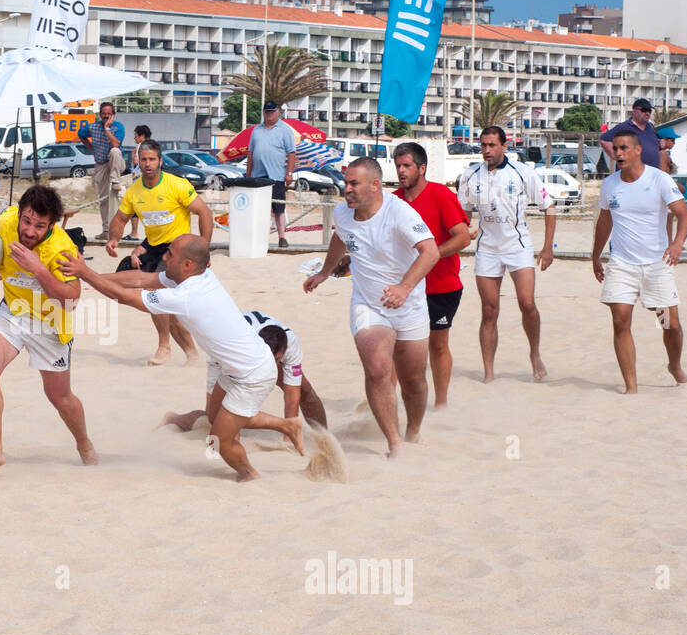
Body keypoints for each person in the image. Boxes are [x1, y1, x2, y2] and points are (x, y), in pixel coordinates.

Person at [63, 235, 298, 482]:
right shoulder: (198, 275)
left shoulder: (187, 295)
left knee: (218, 441)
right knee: (214, 421)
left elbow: (125, 297)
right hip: (235, 367)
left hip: (252, 373)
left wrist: (86, 274)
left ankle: (250, 475)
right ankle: (286, 425)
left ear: (186, 265)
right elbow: (141, 279)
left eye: (170, 255)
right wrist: (84, 274)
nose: (164, 257)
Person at [303, 158, 439, 458]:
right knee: (377, 369)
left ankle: (413, 430)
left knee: (413, 381)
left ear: (375, 185)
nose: (346, 189)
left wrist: (404, 288)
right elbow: (341, 236)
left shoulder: (399, 212)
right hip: (368, 304)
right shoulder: (344, 212)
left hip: (409, 304)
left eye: (354, 184)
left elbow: (431, 251)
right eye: (346, 182)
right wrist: (326, 271)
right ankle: (395, 444)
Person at [0, 184, 97, 477]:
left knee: (59, 397)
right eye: (27, 221)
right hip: (11, 313)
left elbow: (71, 298)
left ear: (52, 224)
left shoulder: (61, 249)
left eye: (39, 226)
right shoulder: (10, 220)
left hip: (50, 322)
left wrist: (38, 269)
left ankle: (84, 444)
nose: (30, 230)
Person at [591, 129, 687, 393]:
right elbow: (604, 220)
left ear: (637, 151)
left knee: (669, 323)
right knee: (620, 320)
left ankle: (674, 364)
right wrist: (595, 255)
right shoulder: (610, 184)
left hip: (657, 264)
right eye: (615, 149)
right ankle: (631, 387)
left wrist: (677, 244)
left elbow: (683, 215)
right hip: (622, 263)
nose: (618, 153)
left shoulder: (659, 180)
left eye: (624, 148)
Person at [457, 126, 554, 383]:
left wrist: (547, 247)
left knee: (527, 303)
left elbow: (549, 206)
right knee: (489, 310)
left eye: (492, 145)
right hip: (487, 248)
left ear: (504, 146)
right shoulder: (469, 175)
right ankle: (488, 372)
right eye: (483, 145)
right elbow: (464, 212)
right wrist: (465, 229)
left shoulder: (522, 172)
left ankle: (534, 353)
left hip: (518, 246)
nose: (487, 150)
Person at [109, 139, 209, 366]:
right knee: (167, 311)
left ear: (160, 161)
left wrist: (204, 249)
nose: (147, 163)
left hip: (179, 249)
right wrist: (114, 239)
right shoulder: (135, 191)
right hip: (154, 248)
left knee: (155, 293)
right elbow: (120, 219)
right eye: (143, 159)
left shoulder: (177, 185)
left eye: (152, 159)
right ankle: (192, 354)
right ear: (138, 162)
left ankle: (164, 346)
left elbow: (205, 213)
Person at [160, 309, 328, 435]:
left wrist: (289, 437)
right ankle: (173, 418)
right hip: (224, 355)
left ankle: (324, 437)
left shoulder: (291, 344)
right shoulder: (236, 349)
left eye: (275, 360)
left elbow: (292, 395)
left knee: (305, 390)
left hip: (262, 341)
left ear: (284, 352)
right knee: (212, 419)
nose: (271, 365)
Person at [393, 142, 471, 408]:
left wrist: (432, 255)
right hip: (405, 287)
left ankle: (441, 403)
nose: (401, 171)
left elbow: (462, 238)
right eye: (398, 165)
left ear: (422, 168)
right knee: (398, 347)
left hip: (441, 286)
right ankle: (389, 401)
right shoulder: (393, 200)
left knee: (437, 346)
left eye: (407, 165)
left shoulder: (441, 195)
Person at [246, 100, 297, 247]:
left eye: (272, 111)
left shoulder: (285, 129)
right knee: (258, 209)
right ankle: (257, 236)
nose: (269, 114)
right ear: (263, 112)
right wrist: (248, 175)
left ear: (278, 112)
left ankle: (282, 237)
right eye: (266, 112)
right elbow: (250, 153)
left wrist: (290, 173)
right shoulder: (256, 130)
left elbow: (291, 153)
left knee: (279, 208)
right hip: (258, 175)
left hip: (277, 175)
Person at [77, 101, 125, 235]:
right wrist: (91, 148)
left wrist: (107, 128)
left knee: (115, 151)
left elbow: (115, 143)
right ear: (100, 114)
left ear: (113, 115)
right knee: (104, 199)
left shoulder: (118, 127)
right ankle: (105, 230)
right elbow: (80, 134)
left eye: (109, 114)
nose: (106, 116)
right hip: (101, 164)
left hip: (115, 163)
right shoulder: (92, 127)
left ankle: (115, 180)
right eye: (104, 113)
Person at [601, 98, 660, 170]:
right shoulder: (624, 127)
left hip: (651, 176)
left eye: (649, 111)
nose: (647, 113)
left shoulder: (650, 128)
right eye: (644, 110)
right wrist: (617, 156)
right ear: (634, 111)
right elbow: (604, 140)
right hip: (631, 177)